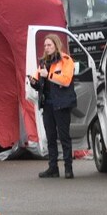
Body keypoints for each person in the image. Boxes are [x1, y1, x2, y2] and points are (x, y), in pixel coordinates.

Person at [29, 34, 76, 179]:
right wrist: (33, 82)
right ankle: (53, 168)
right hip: (48, 104)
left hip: (61, 104)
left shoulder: (66, 60)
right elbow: (39, 81)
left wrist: (48, 75)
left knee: (64, 137)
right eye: (45, 46)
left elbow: (66, 81)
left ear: (56, 45)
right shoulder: (43, 62)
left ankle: (68, 168)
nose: (47, 48)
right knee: (50, 137)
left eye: (49, 45)